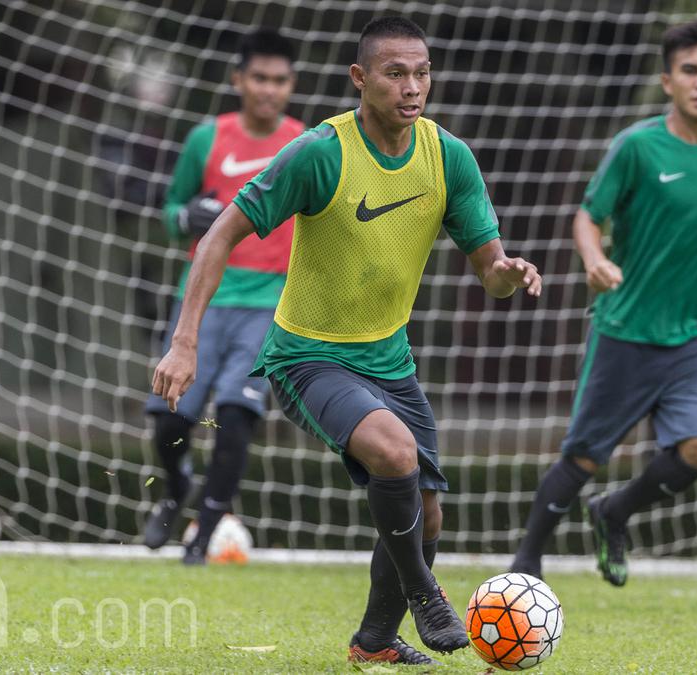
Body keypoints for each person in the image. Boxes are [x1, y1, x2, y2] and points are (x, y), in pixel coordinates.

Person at [153, 16, 542, 664]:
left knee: (428, 511)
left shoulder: (448, 157)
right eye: (396, 73)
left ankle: (375, 642)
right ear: (360, 78)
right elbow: (219, 234)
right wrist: (184, 341)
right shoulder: (320, 152)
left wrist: (508, 273)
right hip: (307, 356)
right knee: (395, 452)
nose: (412, 87)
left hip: (390, 361)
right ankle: (425, 591)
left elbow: (490, 270)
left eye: (422, 73)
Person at [509, 17, 697, 587]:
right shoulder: (637, 147)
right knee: (583, 458)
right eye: (691, 71)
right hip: (624, 329)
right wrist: (593, 259)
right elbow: (588, 217)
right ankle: (524, 566)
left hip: (691, 336)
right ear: (668, 81)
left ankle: (614, 512)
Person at [142, 29, 304, 565]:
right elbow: (171, 209)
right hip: (203, 301)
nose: (268, 89)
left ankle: (203, 536)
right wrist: (184, 217)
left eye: (279, 80)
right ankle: (175, 488)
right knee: (171, 419)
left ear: (291, 85)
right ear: (239, 80)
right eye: (259, 77)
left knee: (235, 417)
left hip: (270, 303)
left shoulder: (305, 145)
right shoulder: (205, 139)